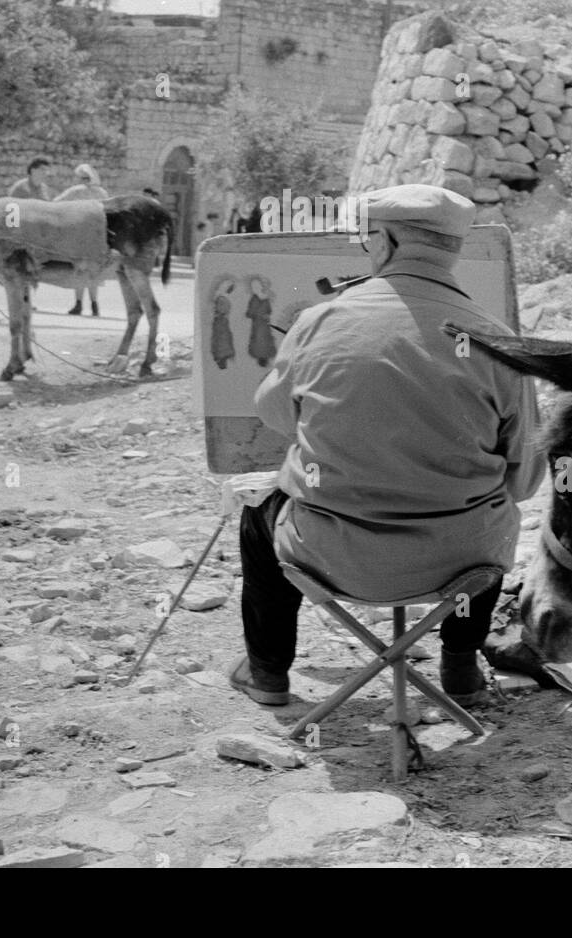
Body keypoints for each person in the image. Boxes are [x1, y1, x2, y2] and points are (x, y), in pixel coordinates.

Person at [230, 183, 546, 710]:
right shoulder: (495, 340)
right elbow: (525, 481)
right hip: (461, 566)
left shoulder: (319, 323)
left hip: (334, 557)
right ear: (452, 251)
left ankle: (266, 673)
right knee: (495, 511)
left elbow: (276, 414)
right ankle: (462, 666)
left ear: (383, 242)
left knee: (258, 517)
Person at [55, 164, 109, 317]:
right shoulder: (102, 192)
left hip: (79, 235)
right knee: (93, 273)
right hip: (97, 237)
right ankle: (94, 305)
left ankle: (78, 304)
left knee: (79, 270)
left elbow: (56, 203)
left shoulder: (75, 191)